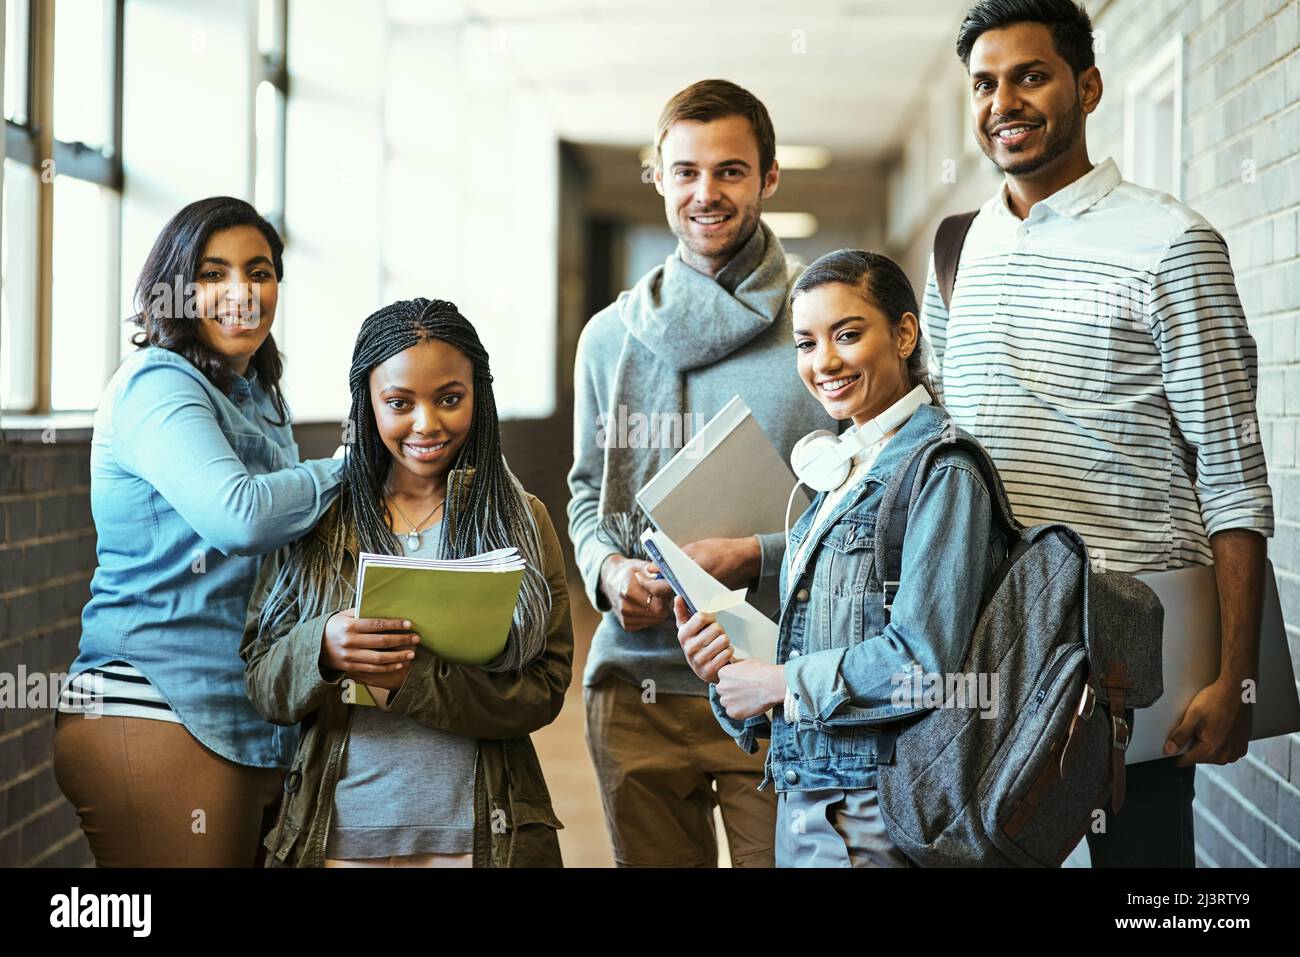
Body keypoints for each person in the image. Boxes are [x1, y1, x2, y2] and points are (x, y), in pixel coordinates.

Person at [922, 0, 1274, 866]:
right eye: (984, 83)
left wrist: (1236, 677)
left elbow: (1232, 472)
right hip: (991, 639)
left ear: (1088, 86)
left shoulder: (1172, 242)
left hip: (1133, 654)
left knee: (1147, 891)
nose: (1004, 100)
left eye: (1030, 76)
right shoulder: (955, 253)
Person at [567, 78, 833, 867]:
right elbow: (587, 493)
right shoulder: (609, 338)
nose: (705, 193)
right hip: (635, 684)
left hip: (777, 673)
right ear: (657, 176)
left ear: (769, 177)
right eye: (684, 171)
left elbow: (864, 498)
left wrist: (755, 553)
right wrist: (609, 570)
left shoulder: (821, 325)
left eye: (730, 171)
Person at [676, 249, 1006, 867]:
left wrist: (778, 682)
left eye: (847, 335)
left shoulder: (942, 471)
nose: (823, 361)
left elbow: (921, 664)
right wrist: (731, 672)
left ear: (904, 334)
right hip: (809, 792)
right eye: (806, 343)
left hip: (874, 812)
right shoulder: (841, 472)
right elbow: (818, 649)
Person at [53, 197, 346, 867]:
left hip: (240, 717)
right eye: (213, 274)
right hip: (155, 709)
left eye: (260, 270)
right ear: (175, 287)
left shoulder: (261, 397)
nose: (242, 292)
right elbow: (240, 515)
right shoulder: (157, 386)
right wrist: (346, 469)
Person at [242, 298, 572, 868]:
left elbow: (543, 689)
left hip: (478, 840)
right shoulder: (320, 519)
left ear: (479, 397)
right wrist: (321, 645)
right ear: (368, 405)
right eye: (399, 403)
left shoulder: (519, 520)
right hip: (338, 838)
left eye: (450, 399)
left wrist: (413, 682)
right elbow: (262, 681)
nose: (427, 424)